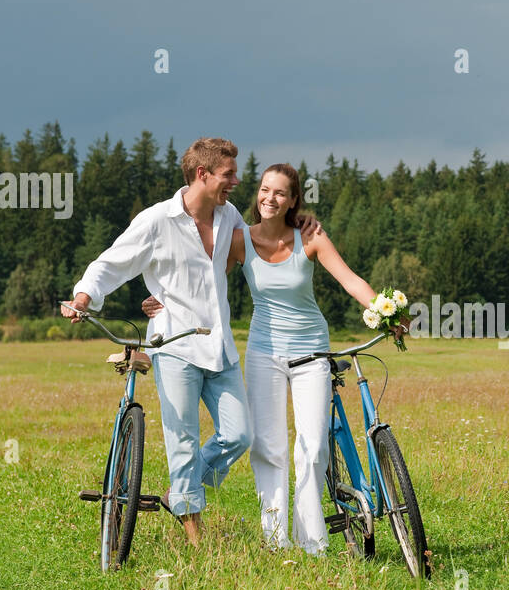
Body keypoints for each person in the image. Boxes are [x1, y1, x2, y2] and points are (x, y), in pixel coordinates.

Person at [62, 139, 321, 546]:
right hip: (174, 344)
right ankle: (195, 538)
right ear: (203, 174)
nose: (236, 181)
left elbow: (259, 245)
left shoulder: (229, 215)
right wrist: (83, 299)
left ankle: (178, 493)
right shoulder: (156, 221)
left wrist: (300, 224)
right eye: (228, 174)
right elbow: (111, 264)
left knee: (240, 436)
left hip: (219, 345)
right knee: (181, 438)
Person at [143, 163, 381, 555]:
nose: (270, 199)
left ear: (293, 201)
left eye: (281, 193)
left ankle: (313, 542)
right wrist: (162, 299)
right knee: (268, 447)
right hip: (264, 352)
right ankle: (275, 541)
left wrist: (386, 310)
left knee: (313, 446)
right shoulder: (240, 240)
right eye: (265, 190)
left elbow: (351, 279)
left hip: (311, 350)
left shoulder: (311, 237)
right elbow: (199, 279)